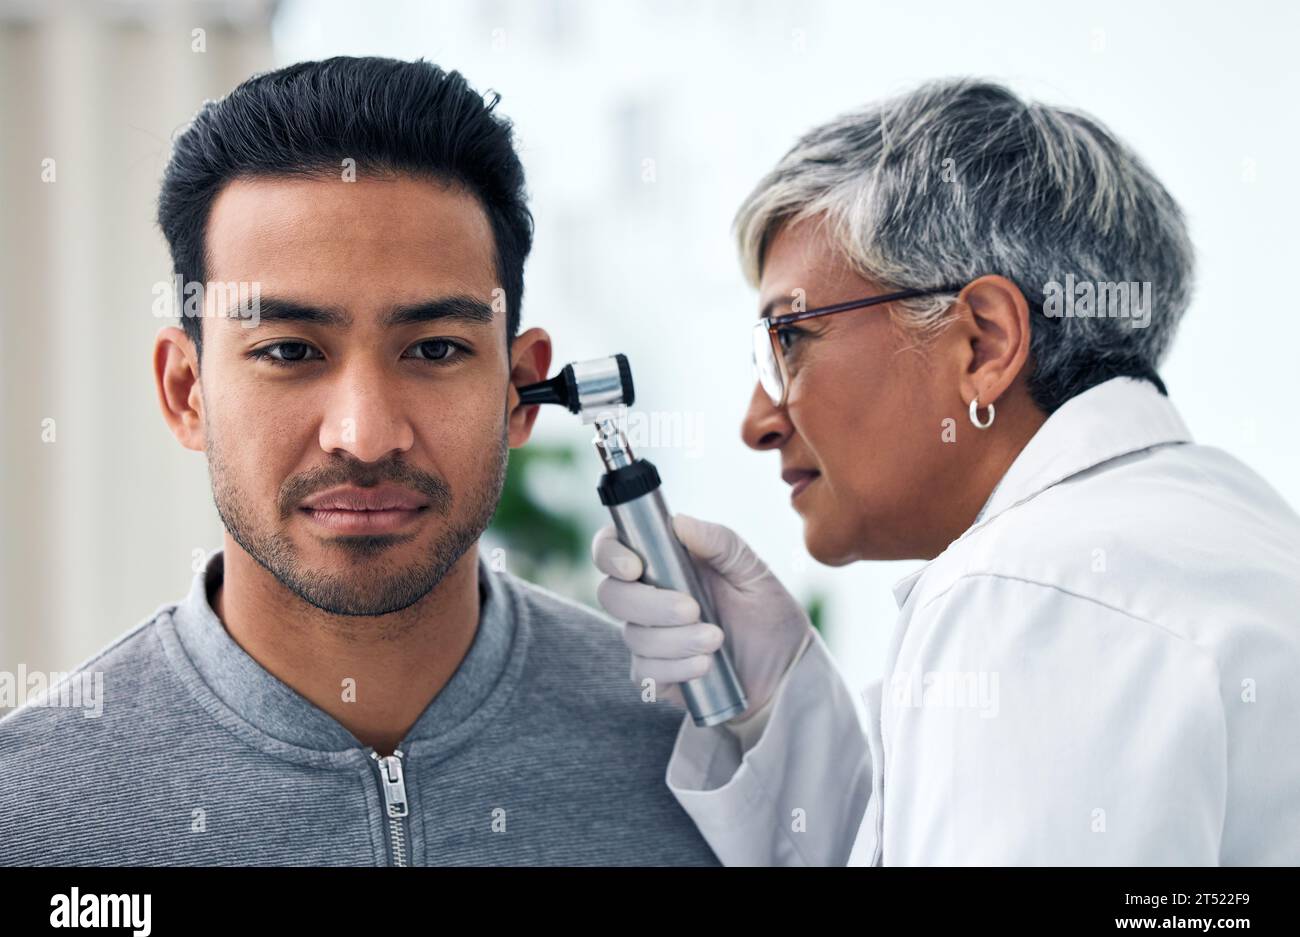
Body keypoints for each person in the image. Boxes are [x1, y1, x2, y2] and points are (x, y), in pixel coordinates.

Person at [0, 56, 718, 867]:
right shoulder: (24, 813)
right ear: (186, 391)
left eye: (436, 348)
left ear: (520, 389)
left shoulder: (709, 772)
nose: (366, 436)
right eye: (290, 350)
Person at [591, 78, 1300, 865]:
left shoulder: (1025, 591)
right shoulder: (1241, 529)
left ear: (983, 345)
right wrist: (771, 710)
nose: (758, 420)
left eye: (788, 339)